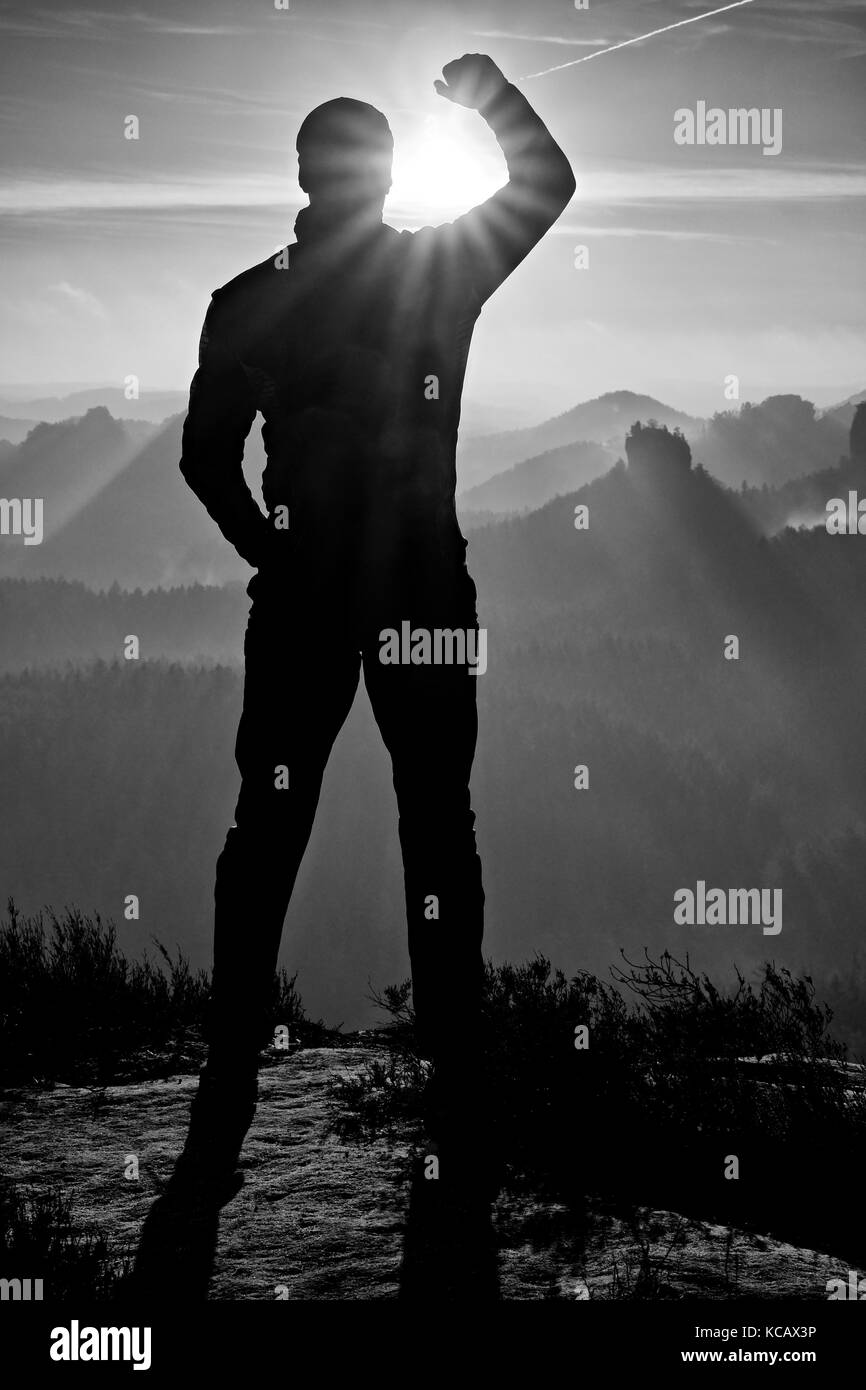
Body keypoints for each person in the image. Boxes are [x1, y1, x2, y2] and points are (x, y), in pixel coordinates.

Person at [178, 53, 574, 1179]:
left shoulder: (249, 300)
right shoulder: (439, 276)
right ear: (387, 175)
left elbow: (206, 459)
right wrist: (488, 93)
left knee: (268, 823)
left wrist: (273, 553)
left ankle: (231, 1055)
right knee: (437, 819)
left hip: (306, 595)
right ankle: (454, 1060)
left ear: (303, 177)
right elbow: (546, 183)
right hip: (422, 589)